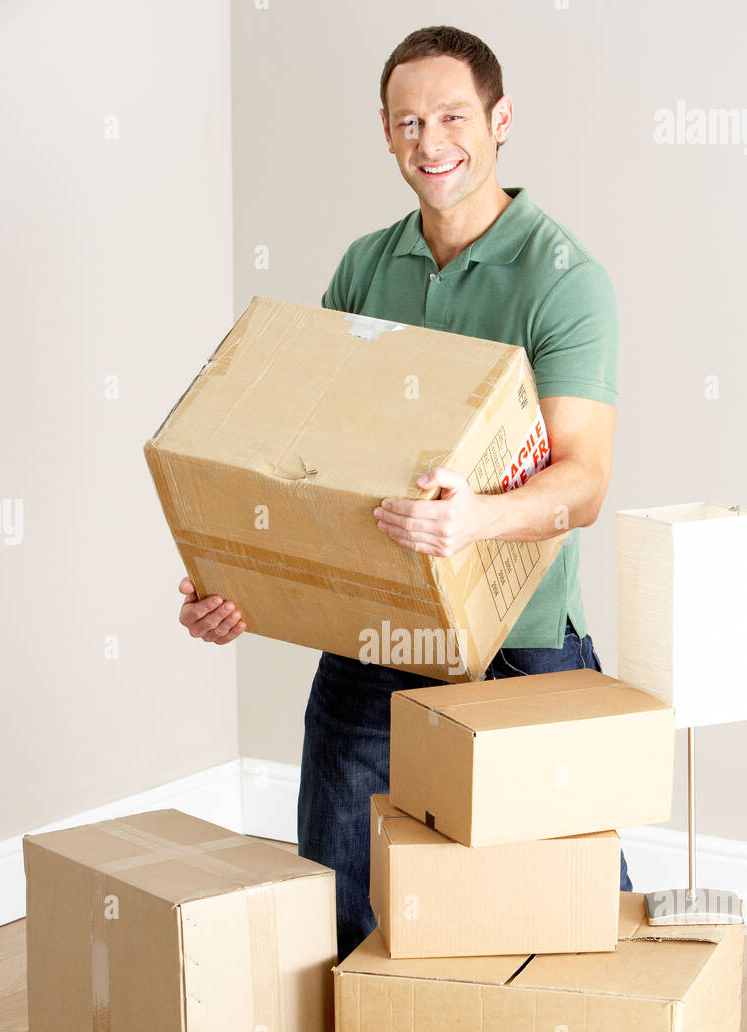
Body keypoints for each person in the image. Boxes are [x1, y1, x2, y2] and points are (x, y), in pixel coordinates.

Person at [178, 24, 632, 961]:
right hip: (381, 621)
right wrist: (236, 581)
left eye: (454, 116)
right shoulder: (366, 267)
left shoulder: (565, 281)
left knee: (583, 913)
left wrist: (475, 522)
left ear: (501, 119)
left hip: (522, 636)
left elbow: (581, 483)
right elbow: (308, 461)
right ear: (385, 133)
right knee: (339, 899)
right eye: (408, 122)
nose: (432, 143)